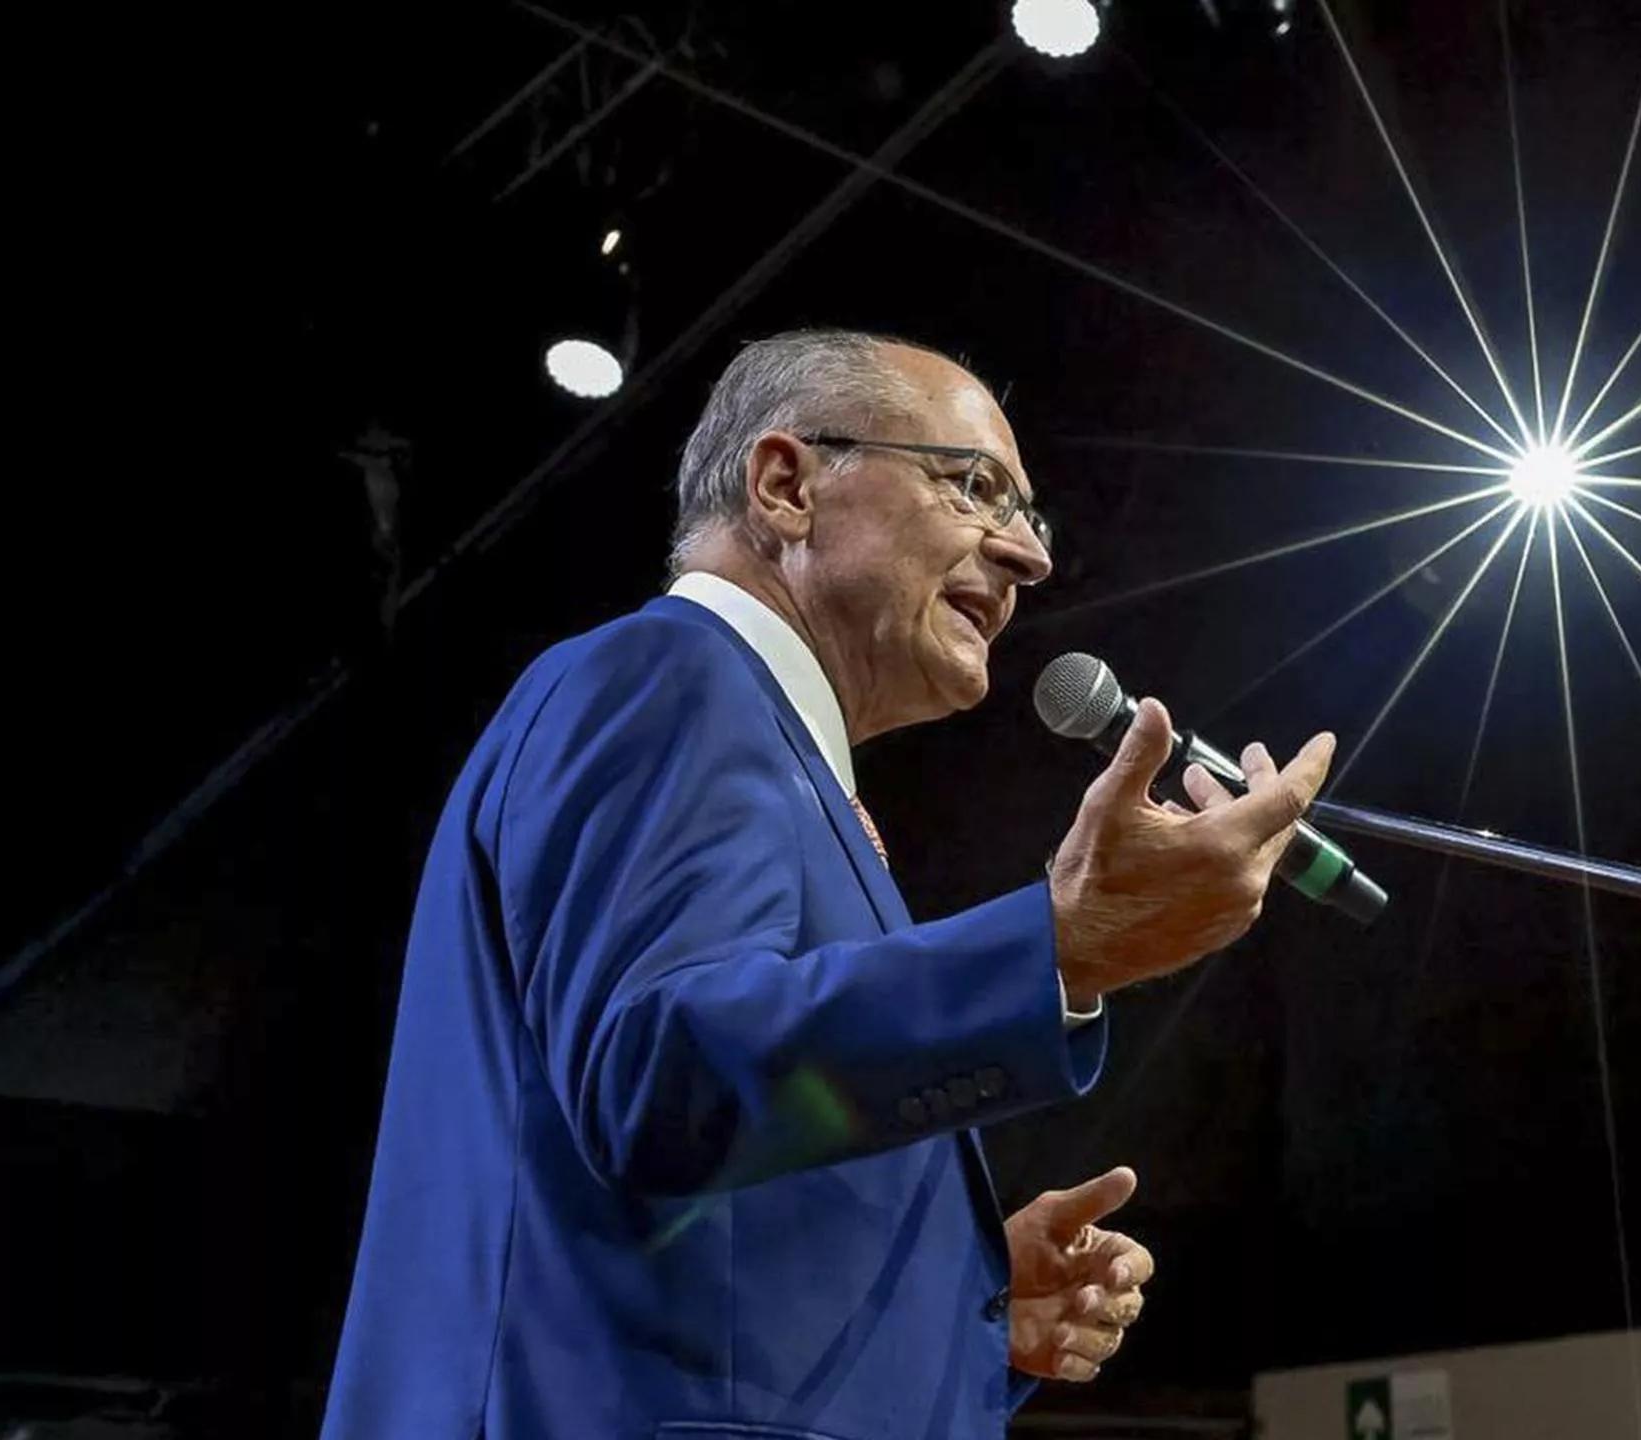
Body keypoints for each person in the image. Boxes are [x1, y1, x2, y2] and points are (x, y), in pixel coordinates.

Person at [322, 329, 1335, 1438]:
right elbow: (658, 1071)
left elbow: (715, 1152)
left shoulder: (770, 754)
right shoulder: (668, 676)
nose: (1027, 558)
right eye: (976, 488)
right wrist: (1057, 947)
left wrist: (962, 1301)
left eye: (1029, 517)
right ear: (786, 486)